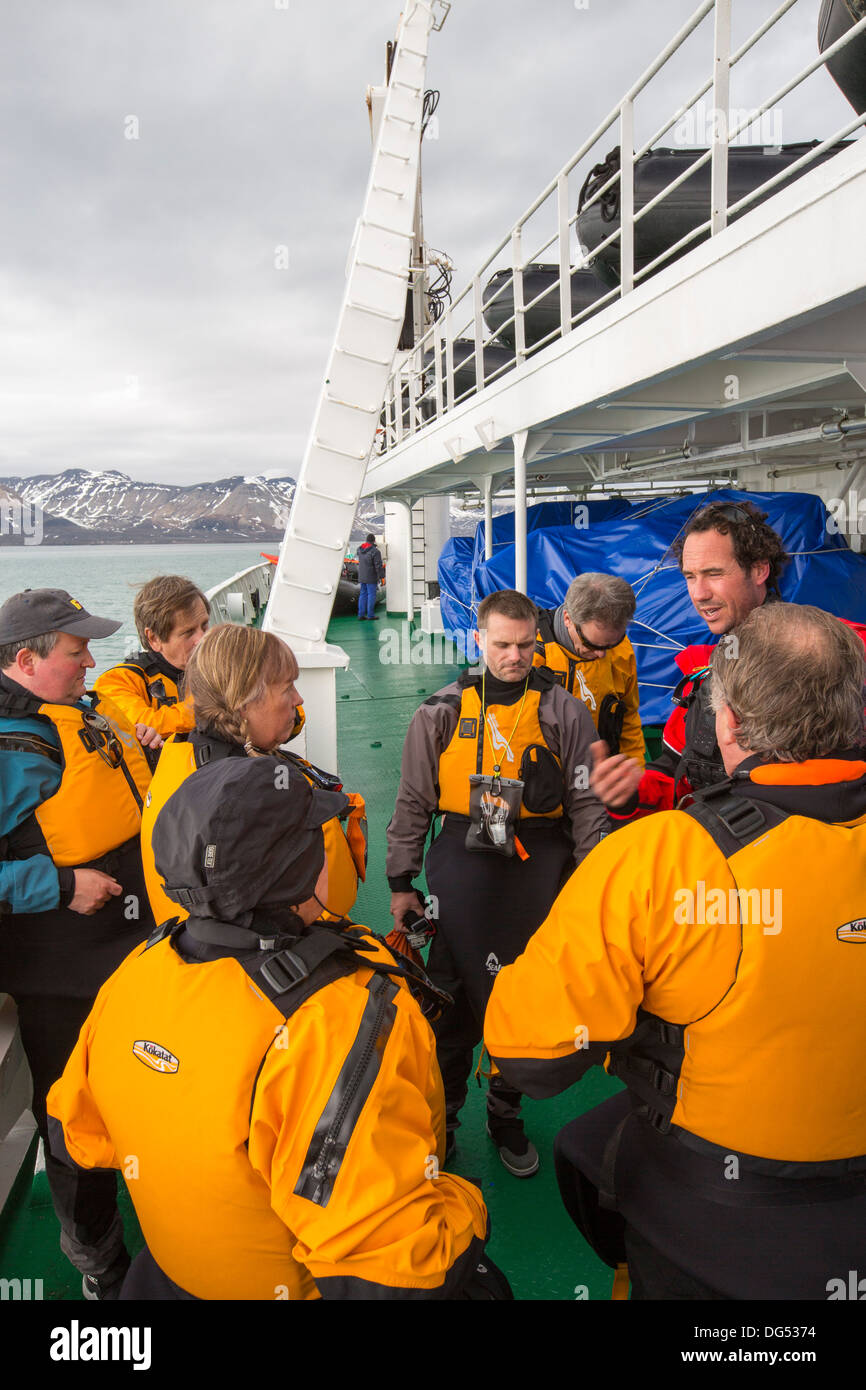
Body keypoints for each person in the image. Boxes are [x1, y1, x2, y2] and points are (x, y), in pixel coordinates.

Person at [485, 603, 866, 1299]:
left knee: (587, 1153)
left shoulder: (661, 856)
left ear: (726, 723)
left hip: (719, 1208)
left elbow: (531, 1060)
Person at [46, 754, 502, 1300]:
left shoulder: (136, 972)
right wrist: (466, 1203)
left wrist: (103, 1265)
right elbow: (387, 1276)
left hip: (166, 1277)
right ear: (300, 869)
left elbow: (73, 1139)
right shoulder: (342, 1015)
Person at [386, 588, 608, 1177]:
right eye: (502, 644)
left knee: (525, 993)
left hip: (541, 864)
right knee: (450, 996)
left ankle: (506, 1113)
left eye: (526, 644)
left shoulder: (565, 712)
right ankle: (446, 1115)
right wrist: (400, 879)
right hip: (463, 861)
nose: (515, 655)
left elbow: (586, 801)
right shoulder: (439, 712)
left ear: (539, 641)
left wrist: (593, 873)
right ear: (478, 639)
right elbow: (412, 801)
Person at [0, 588, 157, 1298]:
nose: (92, 661)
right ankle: (98, 1260)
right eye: (76, 651)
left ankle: (172, 1219)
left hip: (132, 952)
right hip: (60, 970)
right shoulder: (11, 746)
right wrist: (60, 887)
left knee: (151, 1095)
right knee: (73, 1117)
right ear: (26, 660)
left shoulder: (75, 715)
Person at [140, 623, 364, 930]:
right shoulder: (247, 798)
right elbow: (306, 910)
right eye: (287, 688)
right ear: (244, 701)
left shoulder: (179, 759)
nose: (298, 699)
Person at [591, 499, 790, 818]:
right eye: (689, 576)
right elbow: (673, 771)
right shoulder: (707, 675)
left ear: (759, 569)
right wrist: (629, 792)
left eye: (713, 574)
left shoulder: (822, 656)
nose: (699, 593)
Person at [533, 573, 643, 766]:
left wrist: (638, 778)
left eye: (610, 644)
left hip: (597, 777)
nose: (601, 655)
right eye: (591, 645)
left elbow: (629, 719)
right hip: (542, 776)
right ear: (568, 618)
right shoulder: (529, 648)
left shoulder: (622, 652)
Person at [94, 575, 210, 739]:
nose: (202, 639)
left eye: (204, 626)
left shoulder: (223, 667)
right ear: (154, 638)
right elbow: (143, 723)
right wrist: (211, 707)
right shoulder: (118, 681)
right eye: (188, 632)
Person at [357, 533, 384, 621]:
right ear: (374, 540)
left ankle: (361, 615)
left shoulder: (359, 549)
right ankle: (370, 615)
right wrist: (382, 576)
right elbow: (378, 566)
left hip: (362, 575)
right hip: (371, 576)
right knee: (371, 595)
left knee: (363, 594)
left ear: (366, 540)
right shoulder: (375, 551)